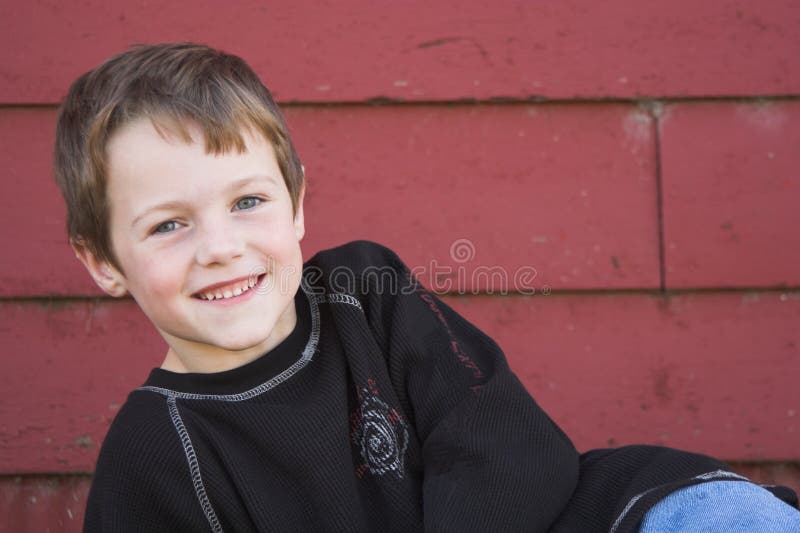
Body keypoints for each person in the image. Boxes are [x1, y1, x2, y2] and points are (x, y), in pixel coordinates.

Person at [53, 43, 799, 532]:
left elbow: (511, 445)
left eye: (248, 202)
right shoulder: (156, 453)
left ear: (298, 202)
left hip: (589, 516)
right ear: (102, 260)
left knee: (729, 515)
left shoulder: (361, 292)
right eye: (167, 226)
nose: (221, 247)